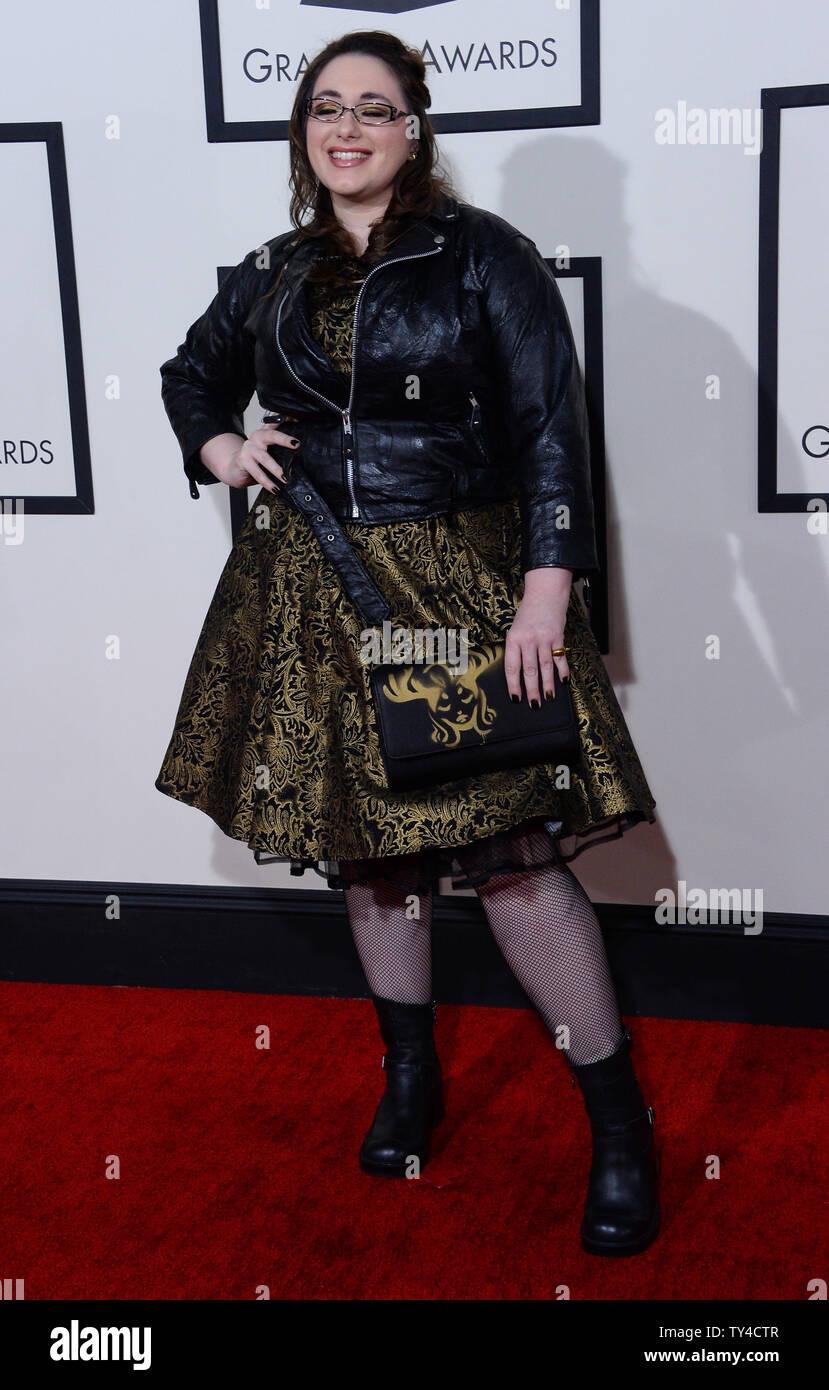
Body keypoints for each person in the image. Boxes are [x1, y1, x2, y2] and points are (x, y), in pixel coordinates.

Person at [155, 29, 660, 1257]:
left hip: (452, 586)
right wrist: (221, 446)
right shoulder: (275, 271)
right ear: (304, 133)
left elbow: (551, 425)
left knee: (510, 859)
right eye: (326, 108)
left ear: (414, 131)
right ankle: (412, 1079)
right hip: (314, 593)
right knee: (370, 859)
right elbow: (191, 375)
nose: (347, 128)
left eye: (374, 109)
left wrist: (548, 591)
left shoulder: (483, 256)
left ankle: (617, 1124)